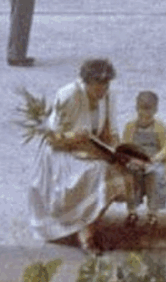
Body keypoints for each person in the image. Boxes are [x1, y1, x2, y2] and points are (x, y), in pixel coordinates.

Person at [28, 58, 127, 253]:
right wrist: (74, 137)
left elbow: (110, 130)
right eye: (98, 86)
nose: (102, 90)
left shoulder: (108, 96)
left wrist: (117, 149)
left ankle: (91, 222)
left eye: (105, 85)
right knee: (97, 171)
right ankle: (86, 232)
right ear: (86, 83)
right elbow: (52, 138)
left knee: (116, 170)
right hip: (62, 152)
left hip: (89, 149)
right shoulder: (68, 95)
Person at [120, 90, 166, 227]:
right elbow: (125, 146)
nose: (145, 116)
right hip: (135, 160)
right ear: (137, 109)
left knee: (154, 175)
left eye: (149, 112)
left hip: (153, 160)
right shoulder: (130, 127)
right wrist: (132, 159)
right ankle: (132, 211)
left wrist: (154, 159)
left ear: (155, 110)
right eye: (142, 111)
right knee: (129, 176)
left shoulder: (160, 127)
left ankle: (152, 213)